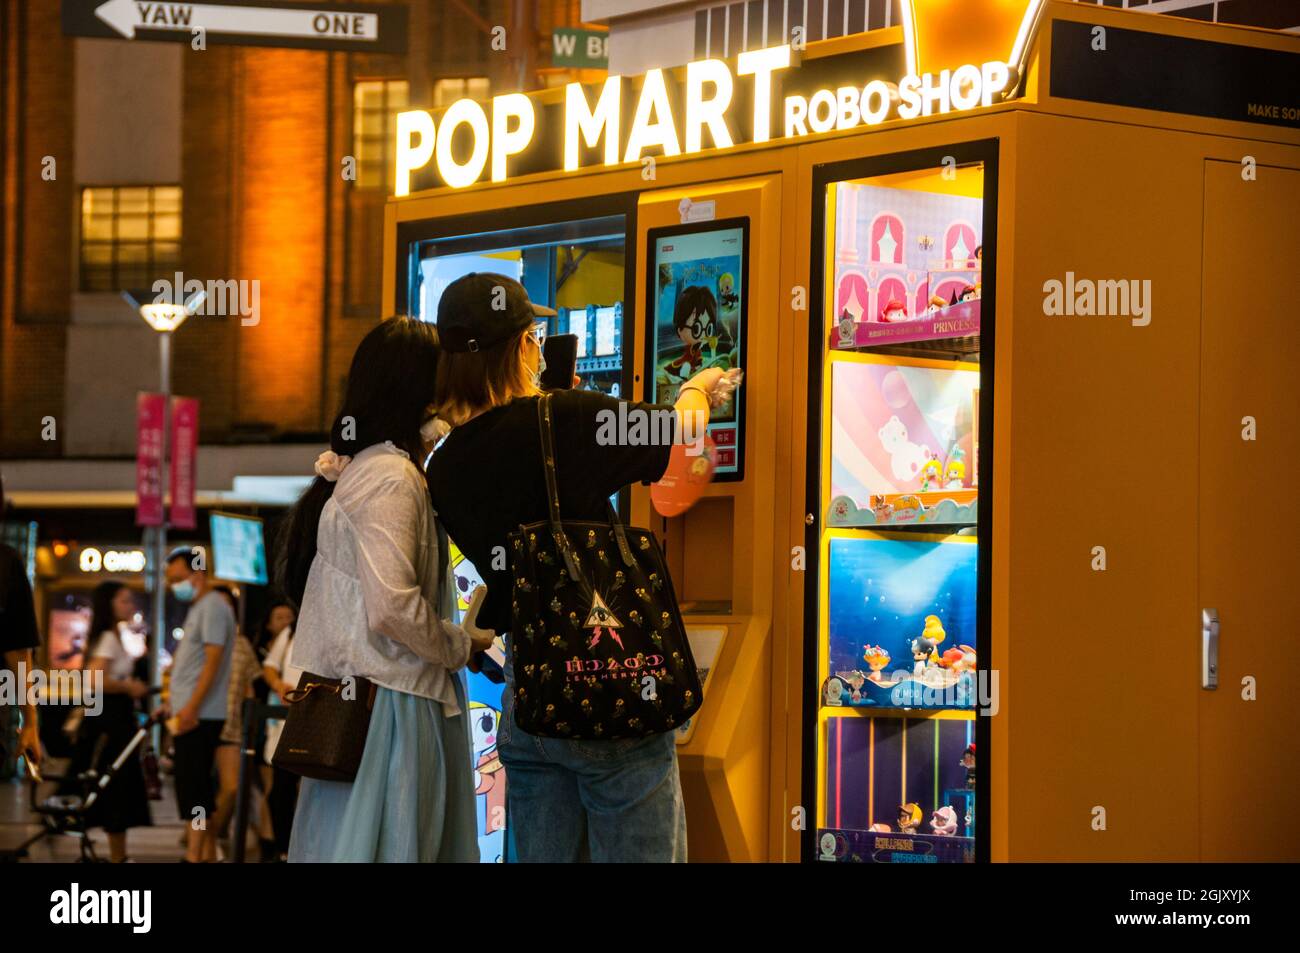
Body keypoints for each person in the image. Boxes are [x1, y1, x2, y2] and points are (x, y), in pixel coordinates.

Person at [427, 272, 740, 862]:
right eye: (533, 335)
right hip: (613, 691)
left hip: (533, 701)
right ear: (521, 346)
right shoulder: (565, 418)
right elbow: (681, 431)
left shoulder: (444, 468)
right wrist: (700, 387)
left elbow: (506, 567)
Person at [276, 316, 495, 863]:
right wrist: (457, 645)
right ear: (420, 385)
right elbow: (393, 608)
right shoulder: (391, 477)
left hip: (365, 709)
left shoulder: (367, 470)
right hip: (393, 709)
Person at [70, 581, 152, 861]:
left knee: (114, 785)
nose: (131, 606)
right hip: (113, 723)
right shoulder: (108, 637)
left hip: (112, 719)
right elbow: (94, 678)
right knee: (116, 785)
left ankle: (118, 854)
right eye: (124, 601)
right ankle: (119, 857)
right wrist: (128, 686)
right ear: (109, 604)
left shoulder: (114, 635)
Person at [164, 545, 236, 863]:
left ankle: (193, 856)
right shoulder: (199, 608)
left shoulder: (213, 607)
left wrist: (191, 707)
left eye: (178, 577)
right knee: (197, 792)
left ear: (198, 574)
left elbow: (212, 662)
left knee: (194, 793)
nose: (173, 585)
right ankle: (205, 854)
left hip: (200, 715)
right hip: (191, 713)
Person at [215, 587, 278, 861]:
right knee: (201, 794)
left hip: (231, 727)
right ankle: (200, 837)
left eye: (228, 605)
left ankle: (211, 833)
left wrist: (250, 723)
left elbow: (251, 684)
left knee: (231, 789)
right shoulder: (198, 641)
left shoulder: (240, 644)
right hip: (201, 725)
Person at [0, 474, 41, 779]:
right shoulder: (6, 564)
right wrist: (30, 722)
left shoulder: (8, 564)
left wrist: (30, 722)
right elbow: (17, 652)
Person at [259, 609, 302, 860]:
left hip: (319, 719)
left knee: (311, 790)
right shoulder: (292, 632)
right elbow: (270, 667)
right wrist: (278, 686)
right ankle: (284, 849)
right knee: (281, 790)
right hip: (287, 720)